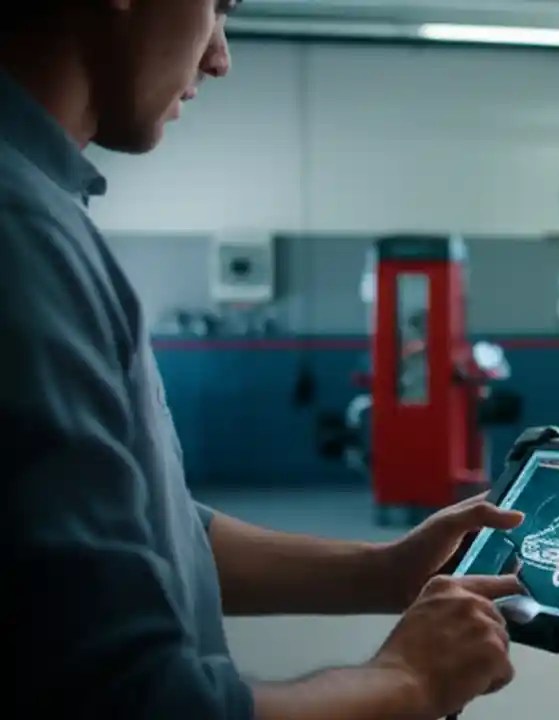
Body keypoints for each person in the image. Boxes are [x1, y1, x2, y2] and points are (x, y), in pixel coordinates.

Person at [1, 2, 526, 718]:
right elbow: (136, 703)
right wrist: (410, 681)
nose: (219, 56)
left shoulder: (45, 210)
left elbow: (145, 529)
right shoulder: (23, 235)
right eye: (216, 7)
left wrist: (383, 572)